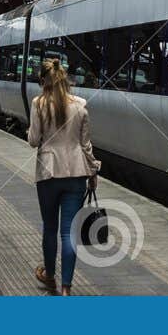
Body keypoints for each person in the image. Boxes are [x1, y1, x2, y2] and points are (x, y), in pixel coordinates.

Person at [28, 58, 100, 295]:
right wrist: (93, 171)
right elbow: (86, 144)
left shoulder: (38, 104)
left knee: (50, 228)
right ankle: (67, 288)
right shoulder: (80, 105)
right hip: (76, 173)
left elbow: (32, 140)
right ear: (66, 80)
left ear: (43, 81)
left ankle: (50, 278)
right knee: (69, 232)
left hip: (48, 172)